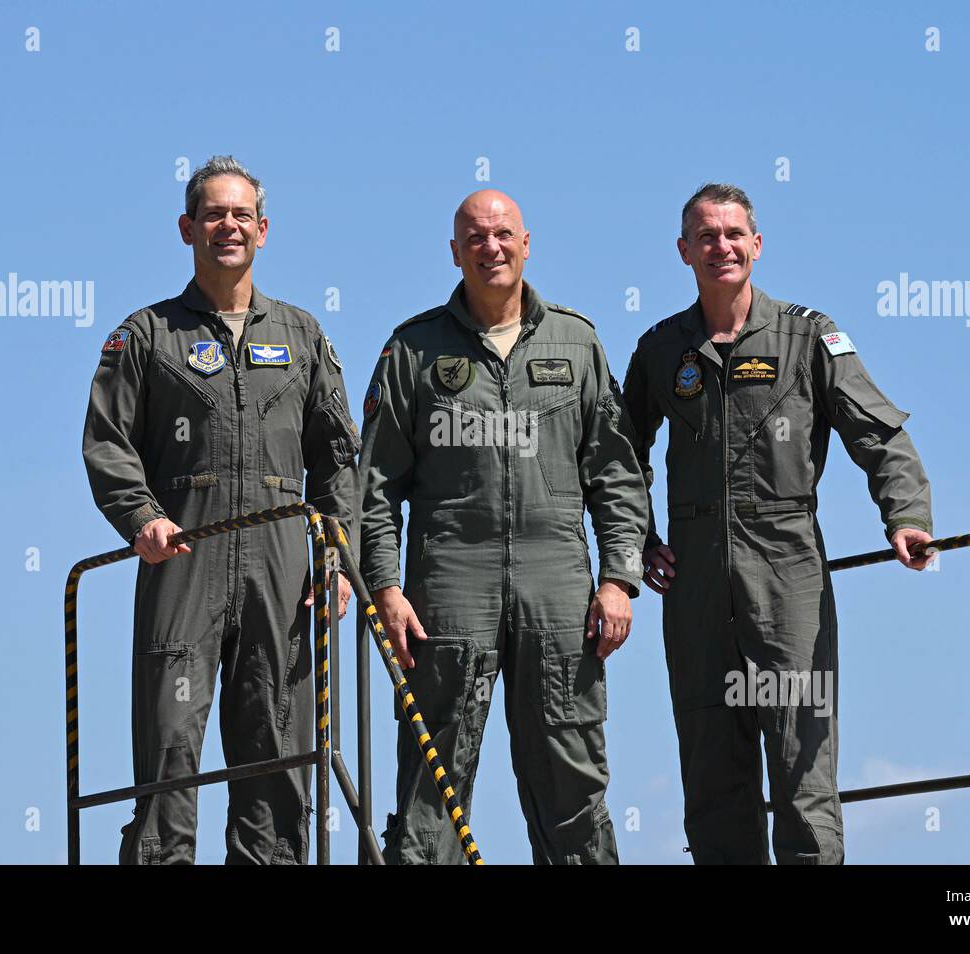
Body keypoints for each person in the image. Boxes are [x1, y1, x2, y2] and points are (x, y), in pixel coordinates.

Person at [622, 182, 934, 864]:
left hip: (787, 578)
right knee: (711, 782)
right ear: (683, 251)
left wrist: (905, 515)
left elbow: (879, 435)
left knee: (801, 772)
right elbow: (618, 457)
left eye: (733, 234)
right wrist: (640, 541)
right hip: (697, 589)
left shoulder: (808, 335)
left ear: (756, 246)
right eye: (706, 236)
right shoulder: (659, 351)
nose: (721, 246)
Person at [82, 155, 359, 864]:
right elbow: (107, 441)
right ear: (187, 228)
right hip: (182, 556)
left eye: (241, 215)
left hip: (284, 569)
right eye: (213, 214)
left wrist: (335, 559)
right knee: (171, 744)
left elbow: (338, 459)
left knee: (277, 742)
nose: (227, 226)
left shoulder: (302, 336)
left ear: (263, 230)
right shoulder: (146, 335)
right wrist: (141, 515)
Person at [358, 190, 649, 864]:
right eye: (476, 237)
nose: (491, 248)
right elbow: (372, 485)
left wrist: (618, 580)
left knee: (570, 775)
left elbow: (617, 473)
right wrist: (384, 586)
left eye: (503, 235)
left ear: (526, 243)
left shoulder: (576, 343)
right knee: (435, 787)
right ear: (455, 252)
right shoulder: (413, 348)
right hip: (449, 585)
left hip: (559, 587)